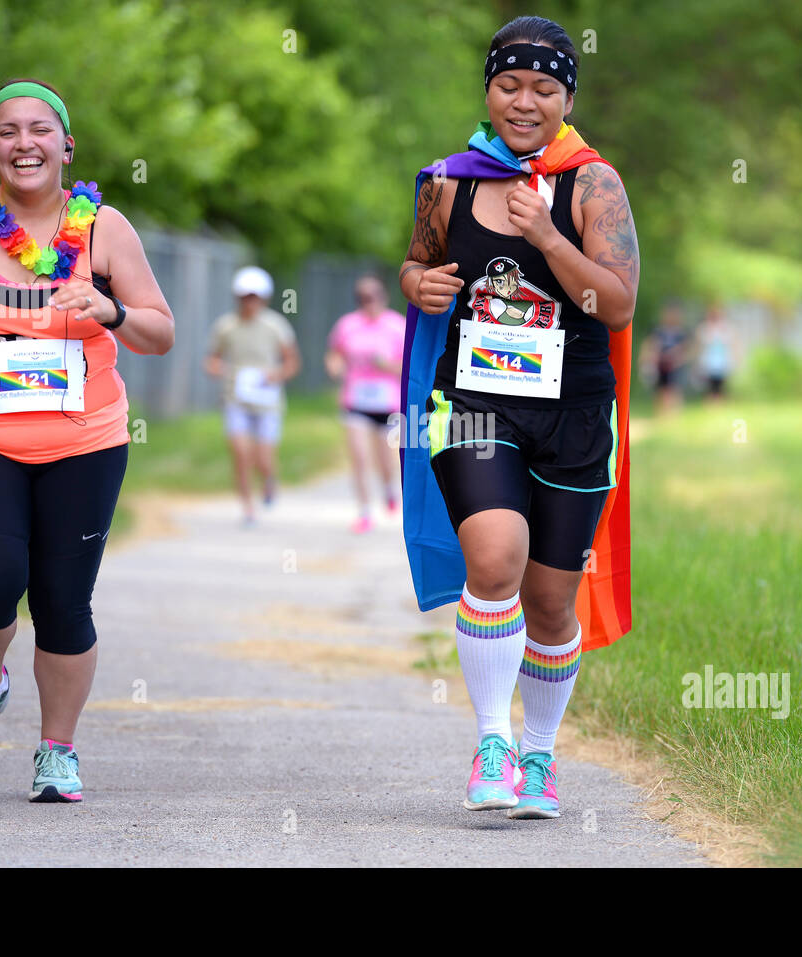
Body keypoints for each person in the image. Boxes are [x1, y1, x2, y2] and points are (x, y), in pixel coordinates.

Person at [0, 78, 174, 803]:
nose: (25, 143)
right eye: (9, 131)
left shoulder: (104, 230)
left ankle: (57, 751)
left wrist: (108, 308)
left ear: (66, 145)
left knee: (61, 598)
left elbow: (160, 331)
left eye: (40, 129)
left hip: (86, 437)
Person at [398, 16, 638, 819]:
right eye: (509, 84)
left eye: (543, 87)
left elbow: (618, 301)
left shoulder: (592, 184)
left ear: (567, 96)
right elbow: (420, 261)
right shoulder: (450, 181)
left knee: (549, 602)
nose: (524, 101)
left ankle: (539, 757)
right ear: (488, 90)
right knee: (494, 559)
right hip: (473, 402)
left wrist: (547, 235)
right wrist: (418, 285)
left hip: (571, 412)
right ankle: (491, 744)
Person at [204, 266, 301, 525]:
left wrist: (276, 375)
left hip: (267, 401)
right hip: (236, 399)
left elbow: (292, 361)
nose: (250, 302)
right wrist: (219, 369)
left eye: (254, 297)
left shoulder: (275, 326)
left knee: (263, 457)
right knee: (241, 453)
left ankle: (269, 479)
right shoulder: (226, 326)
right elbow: (212, 359)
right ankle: (248, 508)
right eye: (245, 296)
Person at [325, 275, 407, 533]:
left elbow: (409, 367)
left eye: (373, 297)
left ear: (384, 296)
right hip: (356, 400)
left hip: (387, 402)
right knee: (359, 456)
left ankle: (388, 489)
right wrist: (335, 367)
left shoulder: (397, 325)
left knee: (384, 460)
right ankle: (364, 511)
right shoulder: (348, 325)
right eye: (362, 299)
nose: (368, 302)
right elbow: (334, 354)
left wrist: (388, 366)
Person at [643, 299, 688, 414]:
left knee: (674, 390)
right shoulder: (659, 331)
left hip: (675, 366)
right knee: (660, 390)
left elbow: (686, 349)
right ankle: (661, 413)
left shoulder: (680, 333)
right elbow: (651, 345)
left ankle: (674, 414)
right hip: (661, 365)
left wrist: (676, 357)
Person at [695, 303, 737, 401]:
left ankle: (719, 405)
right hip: (708, 363)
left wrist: (735, 358)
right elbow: (698, 345)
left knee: (721, 388)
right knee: (709, 388)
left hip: (722, 363)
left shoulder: (726, 328)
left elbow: (733, 344)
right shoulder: (704, 328)